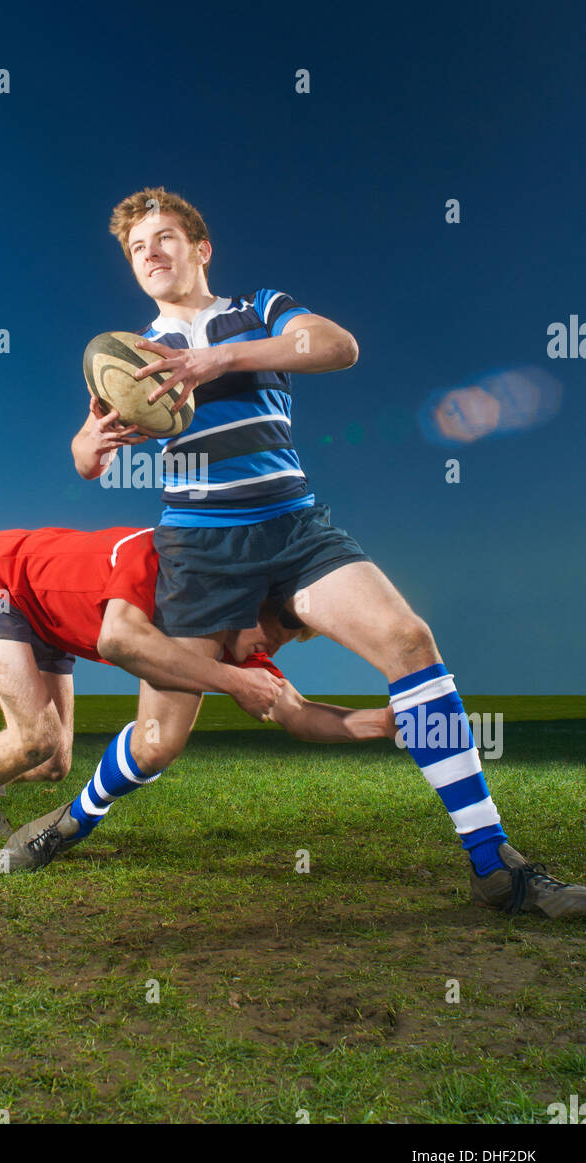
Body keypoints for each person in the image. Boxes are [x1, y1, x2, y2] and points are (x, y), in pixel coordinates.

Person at [59, 186, 586, 919]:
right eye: (136, 247)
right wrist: (90, 445)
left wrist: (215, 361)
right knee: (156, 741)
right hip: (198, 551)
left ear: (200, 248)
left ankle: (493, 864)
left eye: (165, 237)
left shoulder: (257, 309)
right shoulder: (130, 354)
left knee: (408, 640)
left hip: (295, 527)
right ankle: (74, 818)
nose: (150, 253)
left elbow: (338, 346)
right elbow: (89, 461)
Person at [0, 524, 394, 865]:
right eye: (270, 632)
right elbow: (119, 641)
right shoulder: (167, 560)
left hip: (49, 625)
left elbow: (296, 713)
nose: (268, 649)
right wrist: (232, 681)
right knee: (35, 740)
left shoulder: (232, 636)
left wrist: (382, 723)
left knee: (53, 764)